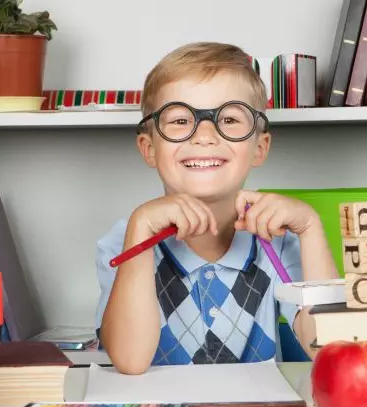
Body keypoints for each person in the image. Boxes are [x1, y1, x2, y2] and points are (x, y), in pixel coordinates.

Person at [95, 41, 338, 374]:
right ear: (149, 148)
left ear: (259, 147)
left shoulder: (278, 243)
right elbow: (130, 360)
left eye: (228, 118)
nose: (205, 135)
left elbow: (329, 348)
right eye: (180, 120)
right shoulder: (125, 240)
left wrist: (310, 228)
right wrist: (141, 226)